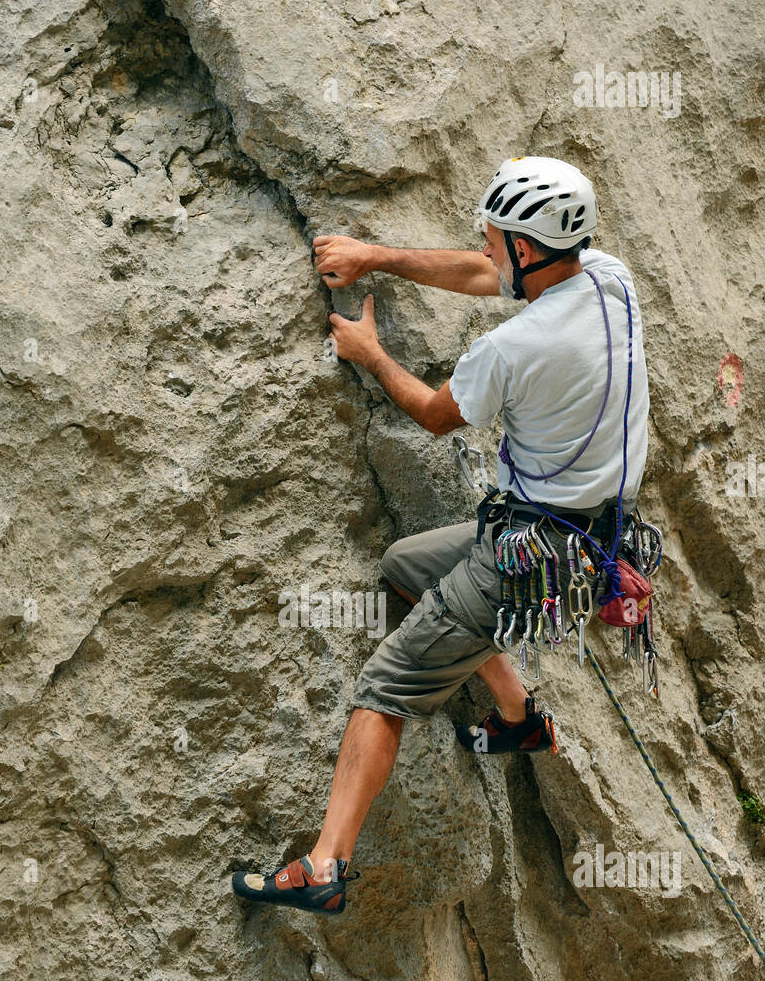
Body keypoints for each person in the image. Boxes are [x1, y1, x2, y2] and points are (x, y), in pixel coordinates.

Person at [232, 156, 649, 915]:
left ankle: (325, 867)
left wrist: (368, 353)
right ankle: (518, 720)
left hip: (520, 561)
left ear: (525, 248)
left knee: (383, 687)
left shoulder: (513, 348)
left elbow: (432, 413)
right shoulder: (607, 278)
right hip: (591, 542)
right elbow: (480, 274)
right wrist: (373, 258)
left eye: (492, 239)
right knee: (405, 564)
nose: (484, 249)